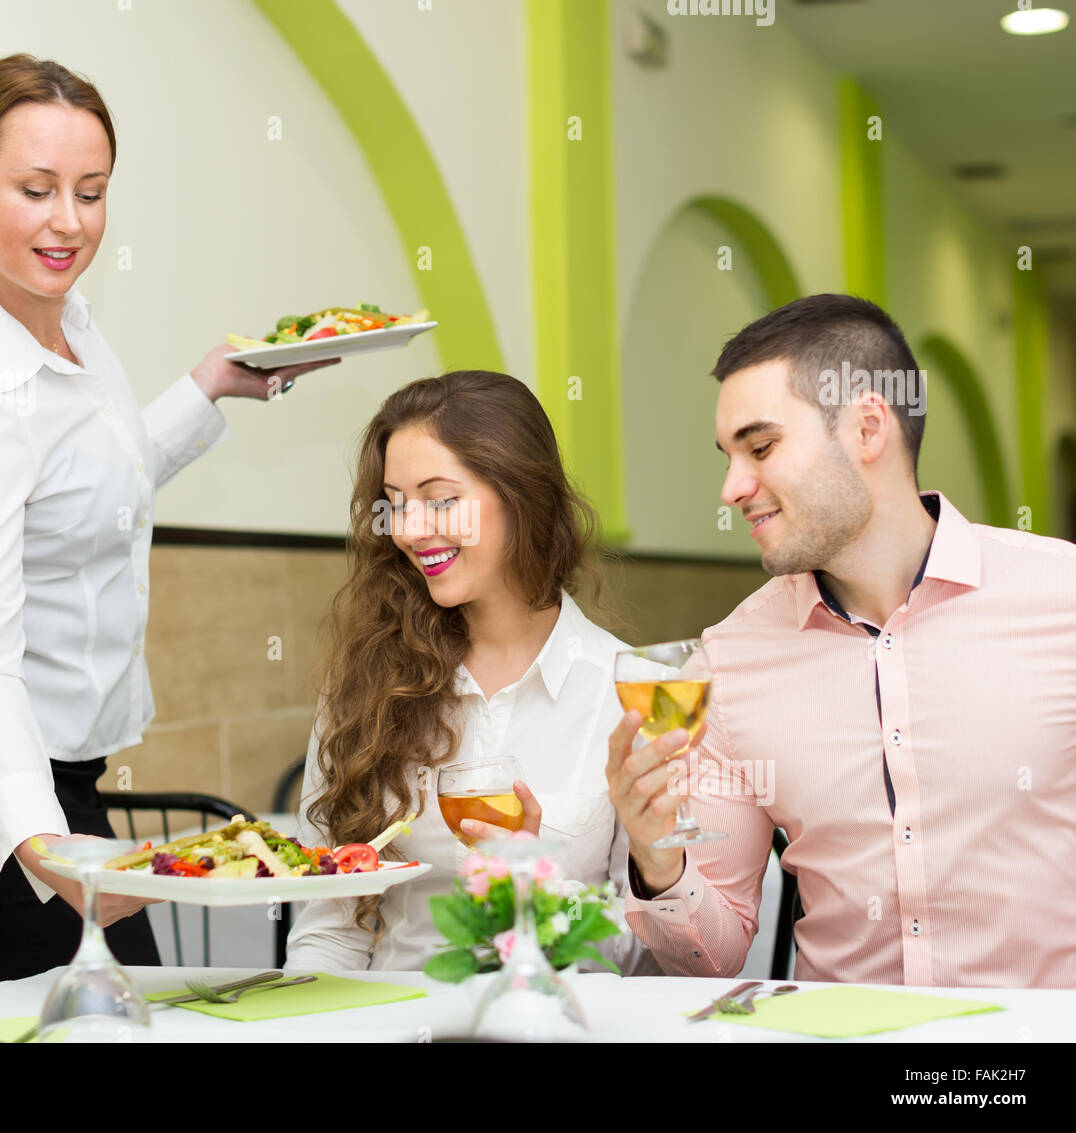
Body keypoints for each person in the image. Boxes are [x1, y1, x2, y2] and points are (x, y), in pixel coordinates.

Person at [0, 54, 334, 995]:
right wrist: (39, 838)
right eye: (36, 189)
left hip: (51, 778)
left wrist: (210, 384)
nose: (70, 222)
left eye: (90, 193)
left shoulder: (64, 321)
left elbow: (99, 482)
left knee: (137, 1019)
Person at [607, 293, 1076, 987]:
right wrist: (658, 862)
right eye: (729, 455)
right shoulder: (730, 660)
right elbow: (713, 956)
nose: (732, 486)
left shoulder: (1061, 599)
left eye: (761, 447)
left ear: (866, 428)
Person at [284, 370, 661, 976]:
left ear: (521, 496)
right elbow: (329, 929)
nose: (408, 529)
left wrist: (535, 889)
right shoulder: (364, 685)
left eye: (440, 500)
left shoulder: (625, 690)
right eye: (397, 504)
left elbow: (643, 960)